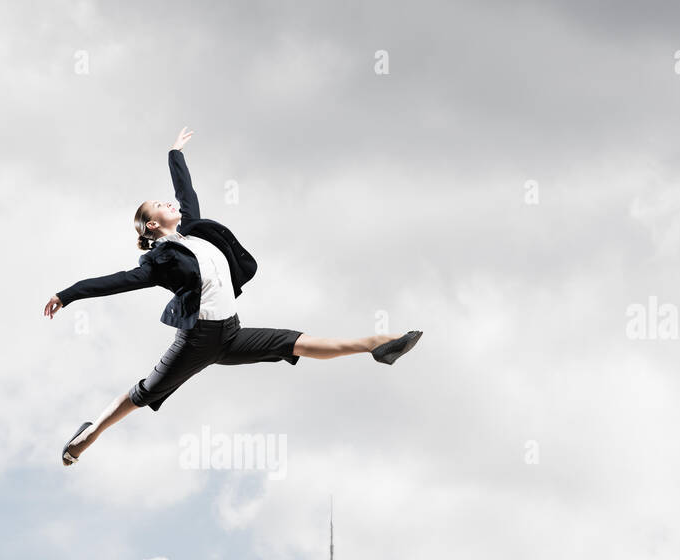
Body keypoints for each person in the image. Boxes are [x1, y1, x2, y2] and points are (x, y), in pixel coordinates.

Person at [44, 126, 423, 465]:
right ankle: (87, 437)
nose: (170, 203)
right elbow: (116, 281)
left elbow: (184, 191)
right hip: (195, 342)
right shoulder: (159, 260)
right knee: (142, 394)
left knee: (297, 343)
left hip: (230, 333)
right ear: (153, 224)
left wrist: (174, 154)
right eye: (160, 206)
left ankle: (378, 344)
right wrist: (67, 295)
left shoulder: (194, 229)